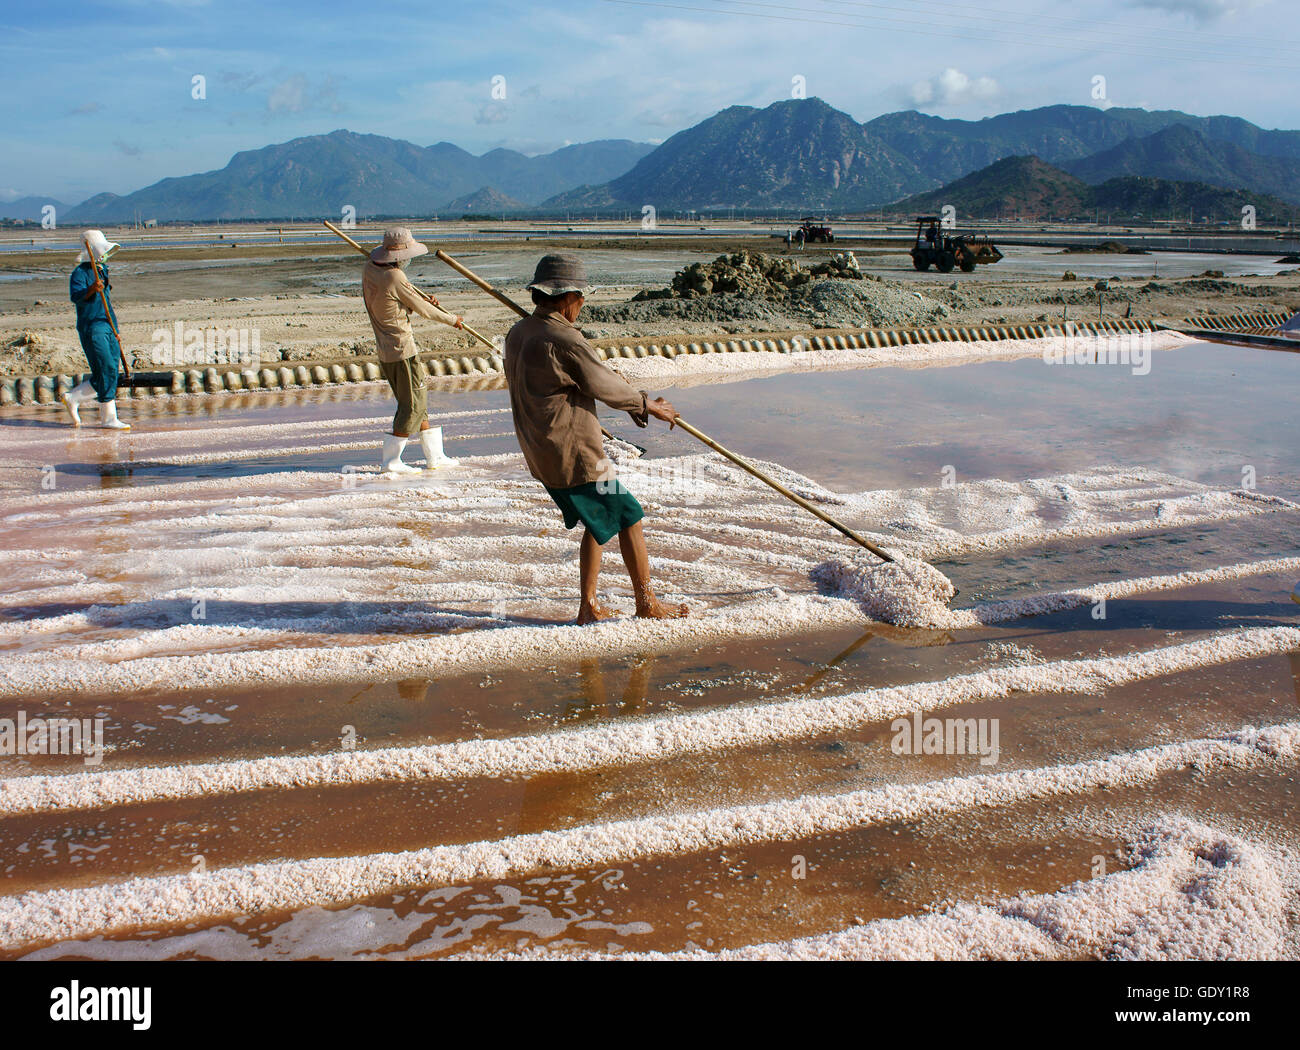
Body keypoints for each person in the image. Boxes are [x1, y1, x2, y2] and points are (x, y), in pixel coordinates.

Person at [504, 253, 687, 625]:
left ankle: (588, 606)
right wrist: (649, 405)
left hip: (540, 448)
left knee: (598, 520)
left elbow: (581, 380)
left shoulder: (519, 332)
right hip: (574, 453)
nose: (583, 304)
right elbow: (604, 385)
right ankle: (646, 602)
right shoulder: (564, 338)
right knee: (630, 515)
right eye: (581, 297)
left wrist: (632, 400)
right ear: (567, 297)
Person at [361, 227, 464, 473]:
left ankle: (435, 456)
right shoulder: (394, 277)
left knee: (418, 399)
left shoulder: (371, 269)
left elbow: (396, 301)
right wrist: (453, 319)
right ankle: (392, 462)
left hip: (386, 350)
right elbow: (424, 310)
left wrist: (416, 298)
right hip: (401, 350)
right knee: (412, 406)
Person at [62, 229, 129, 429]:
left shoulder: (102, 270)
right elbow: (76, 297)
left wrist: (116, 330)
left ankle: (73, 398)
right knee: (106, 367)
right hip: (92, 326)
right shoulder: (80, 273)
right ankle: (108, 419)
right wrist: (92, 289)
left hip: (108, 324)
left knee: (109, 372)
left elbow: (106, 301)